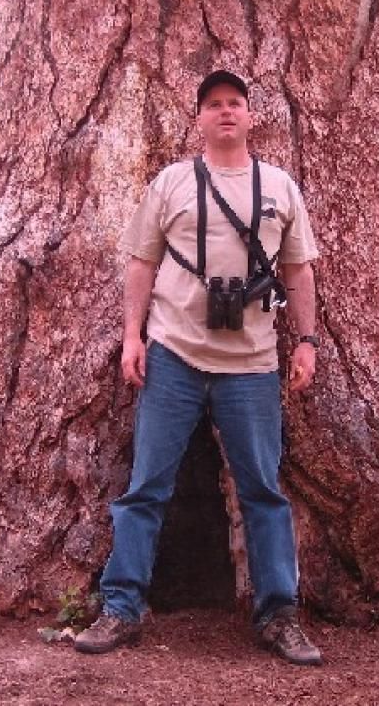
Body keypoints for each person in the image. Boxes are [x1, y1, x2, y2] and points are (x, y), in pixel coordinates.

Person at [73, 70, 324, 666]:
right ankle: (121, 607)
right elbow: (141, 262)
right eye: (213, 105)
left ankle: (279, 614)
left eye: (235, 103)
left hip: (254, 364)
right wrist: (131, 336)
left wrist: (307, 341)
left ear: (251, 115)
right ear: (199, 119)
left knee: (263, 492)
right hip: (174, 355)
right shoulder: (171, 183)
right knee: (145, 488)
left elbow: (299, 271)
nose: (225, 112)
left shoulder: (280, 187)